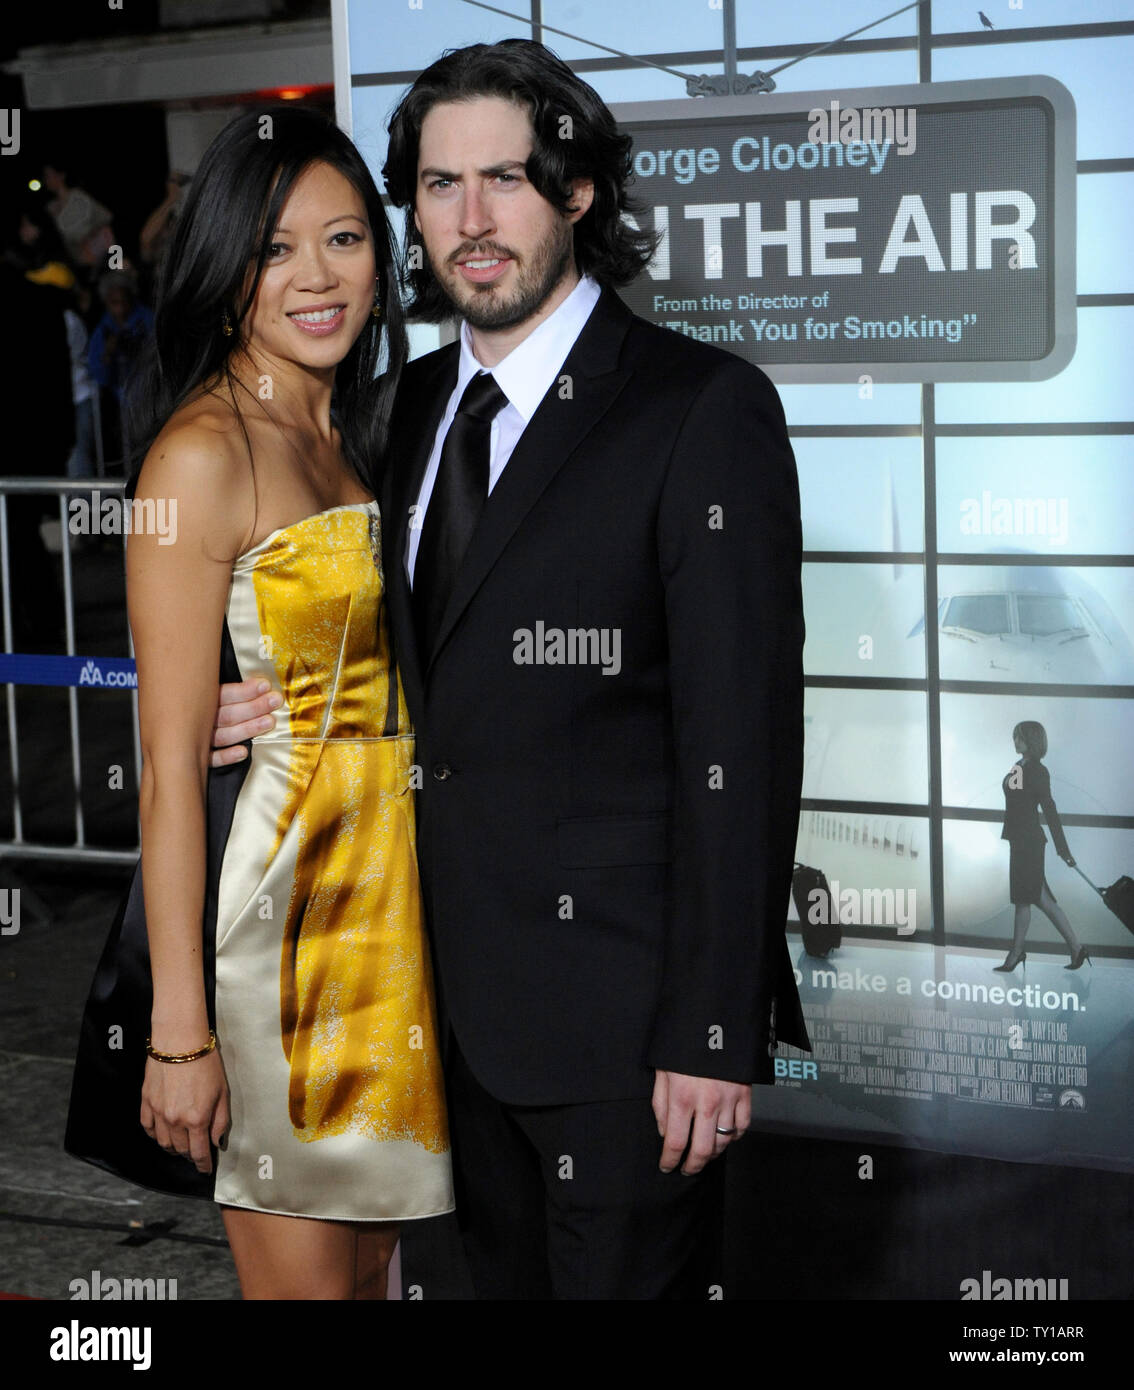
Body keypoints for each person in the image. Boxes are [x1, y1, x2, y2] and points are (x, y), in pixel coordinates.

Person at [213, 40, 809, 1300]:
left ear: (579, 190)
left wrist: (712, 1027)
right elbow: (364, 643)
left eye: (508, 180)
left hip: (622, 1034)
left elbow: (741, 740)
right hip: (421, 1012)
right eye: (438, 187)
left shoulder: (703, 408)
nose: (472, 222)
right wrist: (244, 695)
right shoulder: (399, 409)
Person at [65, 105, 453, 1300]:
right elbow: (170, 769)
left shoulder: (362, 426)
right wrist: (180, 1030)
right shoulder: (200, 454)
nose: (315, 278)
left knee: (384, 1273)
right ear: (224, 267)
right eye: (273, 249)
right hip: (281, 933)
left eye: (343, 240)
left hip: (397, 917)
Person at [995, 720, 1087, 972]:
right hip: (1020, 840)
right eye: (1015, 736)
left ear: (1032, 740)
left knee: (1025, 900)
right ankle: (1077, 949)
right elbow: (1015, 802)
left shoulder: (1037, 770)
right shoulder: (1019, 766)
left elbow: (1049, 809)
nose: (1015, 741)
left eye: (1020, 737)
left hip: (1030, 843)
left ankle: (1016, 954)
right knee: (1039, 899)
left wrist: (1063, 850)